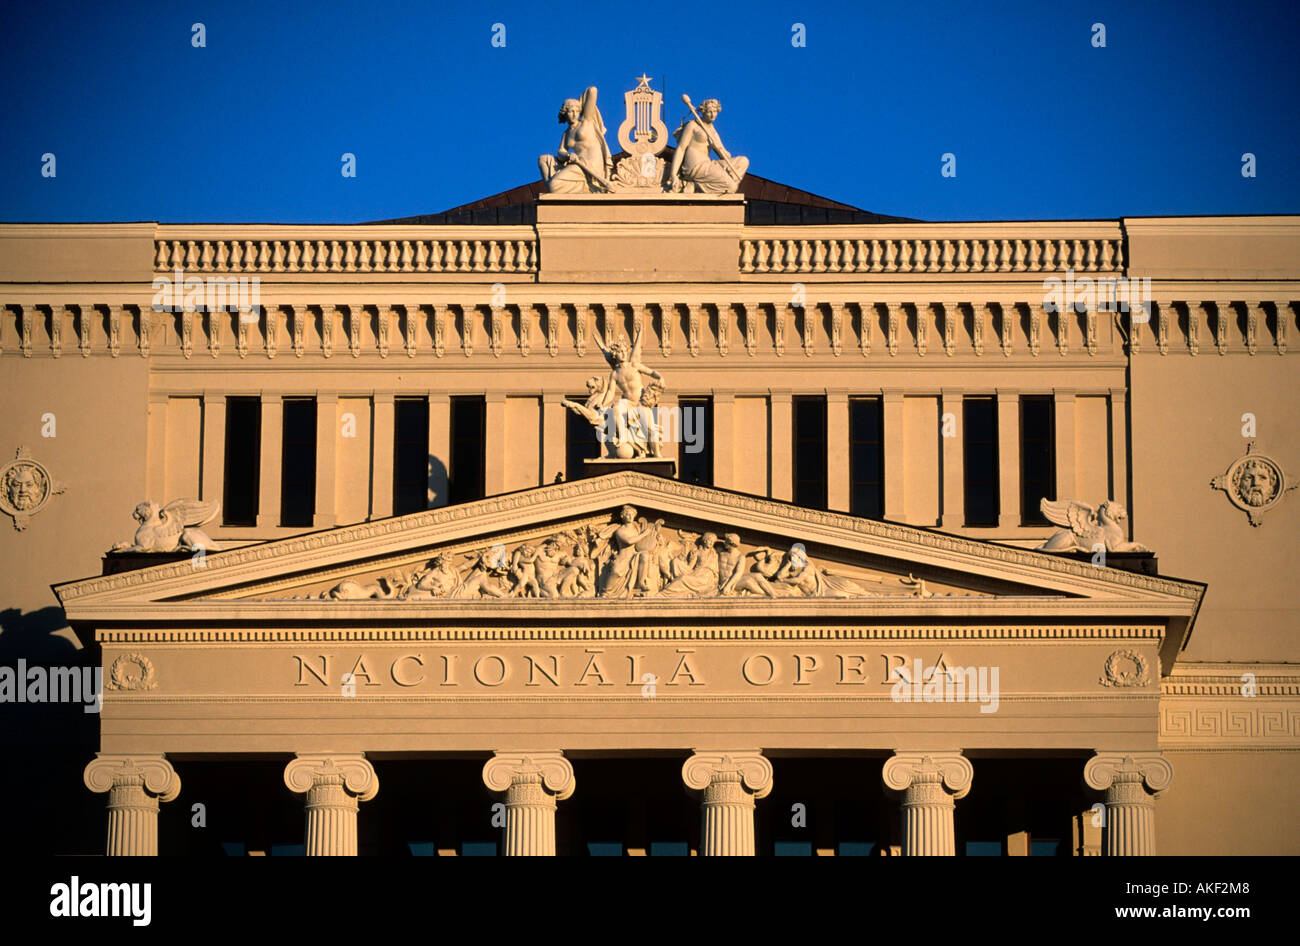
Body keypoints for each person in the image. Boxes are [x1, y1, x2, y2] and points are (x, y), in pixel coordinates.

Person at [538, 87, 613, 194]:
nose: (574, 114)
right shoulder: (566, 133)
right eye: (570, 111)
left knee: (554, 186)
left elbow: (593, 90)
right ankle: (579, 186)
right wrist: (568, 155)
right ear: (565, 113)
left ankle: (586, 186)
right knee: (543, 159)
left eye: (576, 111)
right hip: (577, 165)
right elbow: (561, 152)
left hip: (590, 165)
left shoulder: (587, 121)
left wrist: (579, 102)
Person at [668, 98, 748, 195]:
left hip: (708, 164)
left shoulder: (712, 130)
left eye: (714, 111)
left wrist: (719, 147)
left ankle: (724, 182)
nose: (712, 115)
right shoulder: (693, 125)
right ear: (703, 111)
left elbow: (725, 156)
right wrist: (673, 174)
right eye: (709, 112)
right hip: (695, 166)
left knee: (743, 161)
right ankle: (694, 186)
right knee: (731, 187)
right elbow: (681, 149)